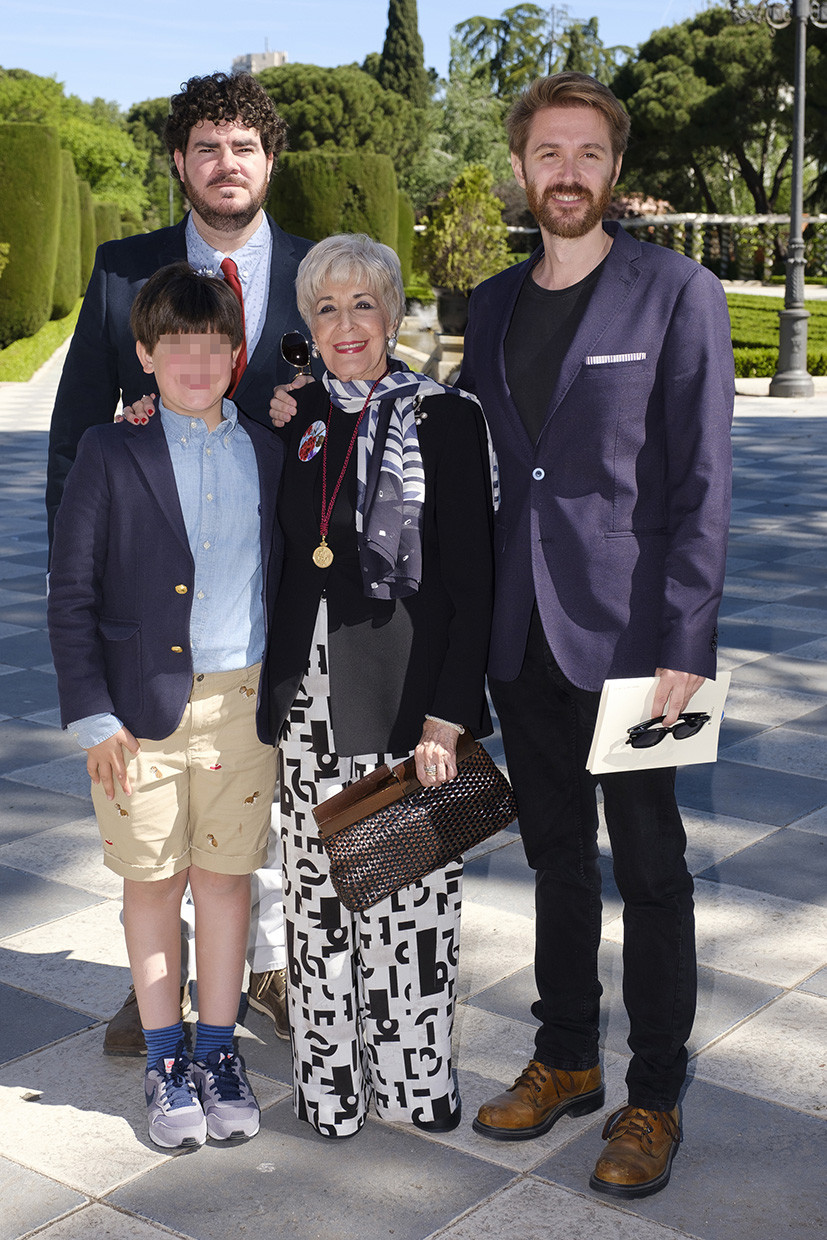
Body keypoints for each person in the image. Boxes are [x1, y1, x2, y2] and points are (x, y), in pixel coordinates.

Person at [456, 73, 734, 1199]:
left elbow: (701, 482)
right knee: (554, 859)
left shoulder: (678, 292)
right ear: (519, 170)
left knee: (655, 872)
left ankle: (653, 1097)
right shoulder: (485, 305)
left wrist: (686, 636)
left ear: (611, 170)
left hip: (636, 644)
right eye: (545, 153)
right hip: (521, 639)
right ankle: (566, 1054)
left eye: (585, 153)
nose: (564, 172)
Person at [46, 70, 313, 1053]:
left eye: (243, 146)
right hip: (153, 610)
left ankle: (269, 965)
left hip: (287, 588)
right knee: (160, 808)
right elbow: (76, 438)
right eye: (207, 146)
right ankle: (172, 981)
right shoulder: (124, 273)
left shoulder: (318, 270)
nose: (225, 163)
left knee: (268, 792)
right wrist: (77, 585)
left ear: (269, 161)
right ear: (178, 163)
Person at [260, 233, 494, 1138]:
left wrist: (447, 717)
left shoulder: (446, 417)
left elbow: (472, 583)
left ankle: (414, 1079)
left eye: (364, 305)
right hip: (305, 699)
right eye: (326, 308)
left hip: (404, 700)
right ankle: (331, 1086)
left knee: (407, 897)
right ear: (307, 326)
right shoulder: (293, 416)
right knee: (317, 902)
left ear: (394, 315)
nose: (346, 324)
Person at [47, 263, 284, 1148]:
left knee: (226, 883)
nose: (195, 360)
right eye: (175, 345)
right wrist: (92, 716)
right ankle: (162, 1055)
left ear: (236, 353)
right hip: (136, 717)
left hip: (244, 704)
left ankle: (218, 1050)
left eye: (213, 344)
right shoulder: (112, 453)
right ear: (143, 354)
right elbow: (70, 592)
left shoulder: (264, 451)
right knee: (154, 886)